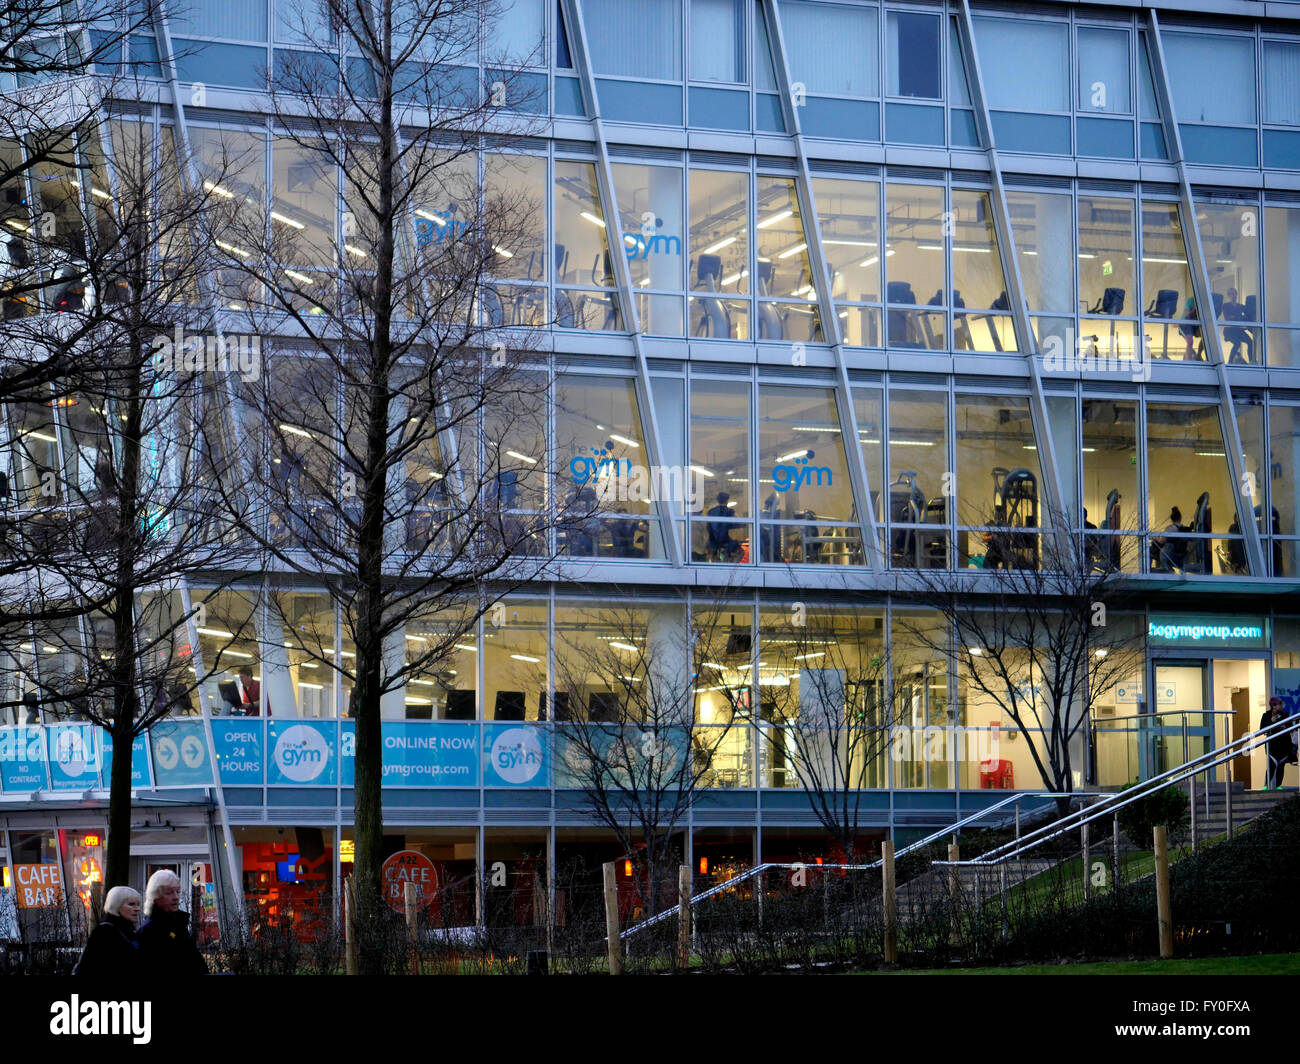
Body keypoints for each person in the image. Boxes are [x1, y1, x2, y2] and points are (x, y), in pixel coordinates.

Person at [137, 870, 208, 975]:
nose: (175, 897)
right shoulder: (149, 931)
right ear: (155, 896)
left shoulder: (178, 926)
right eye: (169, 892)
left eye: (178, 891)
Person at [74, 886, 142, 976]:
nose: (137, 909)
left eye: (138, 904)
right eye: (131, 904)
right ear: (116, 905)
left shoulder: (129, 931)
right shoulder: (104, 933)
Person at [1262, 697, 1294, 790]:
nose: (1281, 706)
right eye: (1279, 704)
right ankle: (1266, 785)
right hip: (1272, 745)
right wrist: (1271, 722)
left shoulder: (1285, 715)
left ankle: (1278, 785)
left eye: (1281, 704)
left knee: (1281, 766)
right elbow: (1262, 728)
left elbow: (1290, 727)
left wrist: (1285, 727)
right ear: (1274, 706)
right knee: (1271, 766)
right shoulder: (1266, 715)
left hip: (1284, 745)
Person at [705, 492, 740, 562]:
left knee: (713, 554)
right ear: (727, 500)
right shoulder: (729, 511)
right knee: (740, 551)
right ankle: (731, 566)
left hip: (712, 541)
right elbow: (738, 519)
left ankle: (713, 564)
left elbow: (708, 526)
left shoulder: (710, 511)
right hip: (724, 540)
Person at [1152, 506, 1185, 570]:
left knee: (1151, 549)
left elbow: (1162, 541)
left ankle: (1148, 570)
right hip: (1179, 551)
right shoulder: (1183, 528)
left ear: (1171, 519)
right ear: (1180, 518)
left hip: (1169, 552)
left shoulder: (1170, 528)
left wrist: (1155, 538)